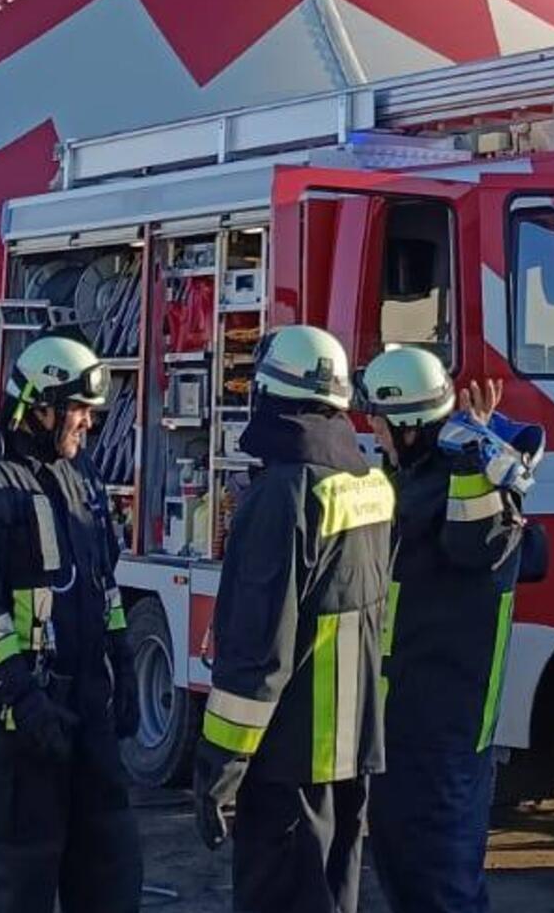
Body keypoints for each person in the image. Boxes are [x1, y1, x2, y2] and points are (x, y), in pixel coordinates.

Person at [193, 325, 394, 913]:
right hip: (352, 754)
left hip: (289, 761)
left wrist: (220, 769)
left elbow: (261, 653)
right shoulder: (369, 486)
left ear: (269, 396)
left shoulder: (283, 495)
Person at [0, 335, 142, 913]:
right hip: (21, 726)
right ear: (38, 406)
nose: (87, 424)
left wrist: (123, 662)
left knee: (110, 860)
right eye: (77, 410)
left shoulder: (83, 481)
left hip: (87, 712)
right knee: (21, 875)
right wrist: (23, 700)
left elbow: (104, 586)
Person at [356, 349, 534, 913]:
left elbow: (476, 542)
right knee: (406, 872)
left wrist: (476, 452)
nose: (374, 434)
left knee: (442, 886)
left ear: (410, 428)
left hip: (442, 724)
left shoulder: (466, 484)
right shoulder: (424, 478)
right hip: (411, 718)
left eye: (381, 423)